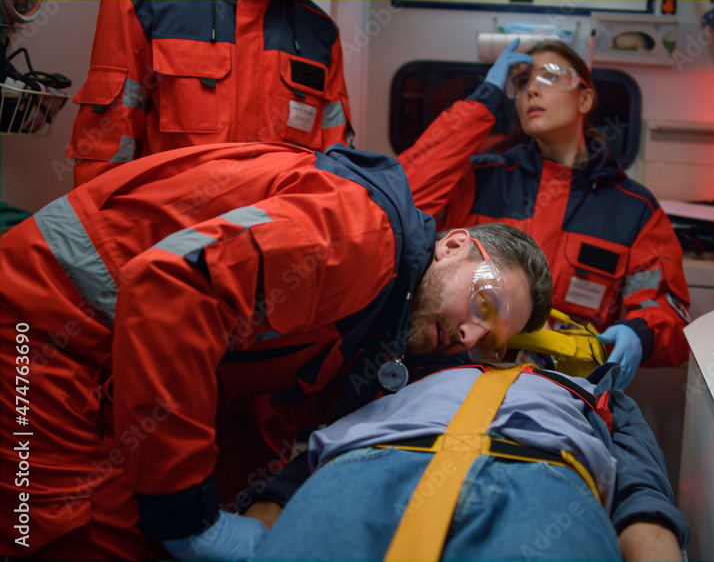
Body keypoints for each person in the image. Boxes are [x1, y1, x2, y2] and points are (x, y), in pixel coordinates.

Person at [0, 141, 552, 560]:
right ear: (453, 244)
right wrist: (185, 515)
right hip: (37, 333)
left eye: (491, 339)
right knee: (69, 540)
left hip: (107, 363)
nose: (471, 338)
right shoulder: (360, 240)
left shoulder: (389, 306)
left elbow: (261, 371)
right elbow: (173, 287)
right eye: (484, 307)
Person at [399, 40, 693, 388]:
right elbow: (398, 202)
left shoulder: (632, 209)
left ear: (584, 99)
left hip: (561, 391)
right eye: (521, 83)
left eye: (550, 77)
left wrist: (640, 332)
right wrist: (483, 102)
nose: (532, 90)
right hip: (454, 375)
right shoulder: (480, 178)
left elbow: (669, 312)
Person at [241, 362, 690, 560]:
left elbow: (641, 491)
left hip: (540, 485)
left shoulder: (595, 391)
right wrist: (261, 518)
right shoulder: (400, 373)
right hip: (360, 470)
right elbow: (310, 457)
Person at [66, 0, 353, 187]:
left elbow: (336, 167)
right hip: (167, 254)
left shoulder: (321, 32)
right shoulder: (141, 5)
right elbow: (107, 145)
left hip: (276, 255)